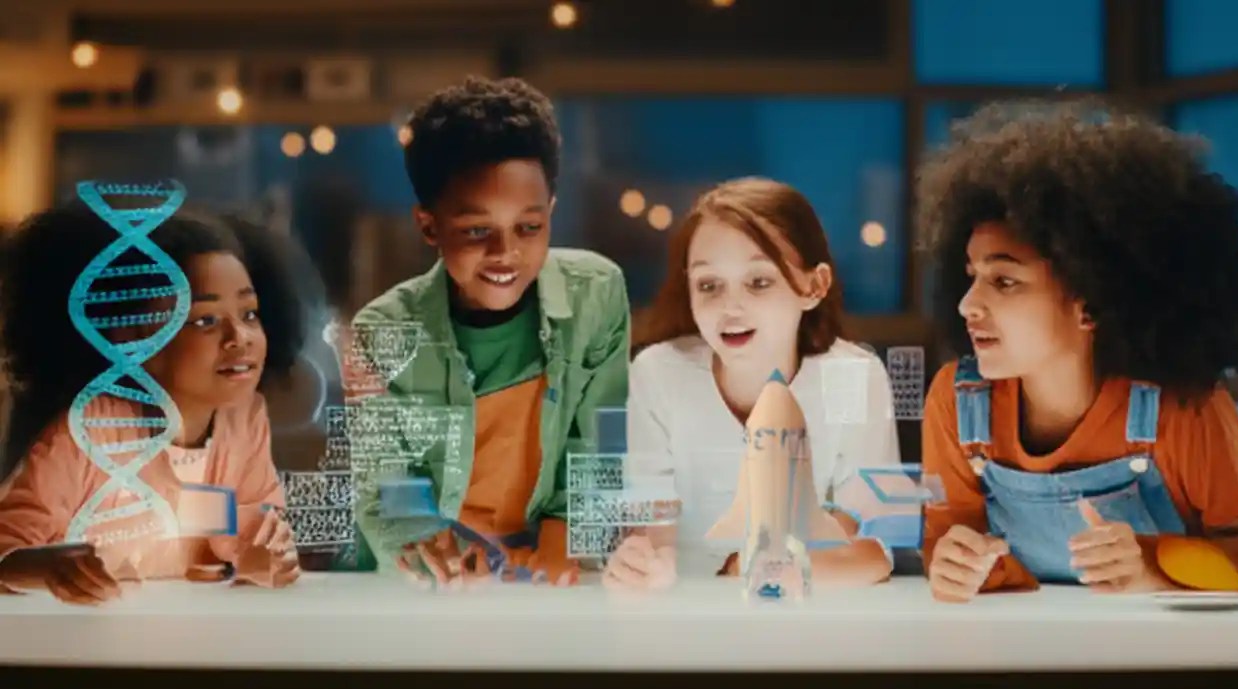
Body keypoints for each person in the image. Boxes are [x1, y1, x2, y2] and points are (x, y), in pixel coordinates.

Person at [916, 98, 1238, 603]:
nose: (967, 304)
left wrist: (1154, 564)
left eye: (1005, 280)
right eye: (972, 277)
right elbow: (945, 540)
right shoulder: (956, 403)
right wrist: (957, 566)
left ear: (1092, 304)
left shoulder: (1185, 410)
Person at [351, 76, 630, 587]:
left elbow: (601, 442)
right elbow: (383, 480)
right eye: (477, 231)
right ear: (429, 226)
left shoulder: (597, 294)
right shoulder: (382, 330)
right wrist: (431, 551)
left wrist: (562, 540)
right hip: (437, 580)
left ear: (550, 212)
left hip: (550, 568)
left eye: (528, 227)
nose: (506, 253)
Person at [0, 202, 307, 604]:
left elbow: (253, 525)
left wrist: (264, 554)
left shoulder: (243, 419)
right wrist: (47, 568)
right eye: (205, 320)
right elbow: (9, 548)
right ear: (134, 340)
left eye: (249, 313)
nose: (240, 337)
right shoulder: (94, 427)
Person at [606, 177, 902, 590]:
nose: (731, 307)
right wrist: (640, 562)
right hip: (688, 624)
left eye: (759, 282)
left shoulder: (853, 377)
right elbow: (650, 534)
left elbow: (868, 552)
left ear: (813, 286)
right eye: (709, 285)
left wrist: (741, 566)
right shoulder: (658, 374)